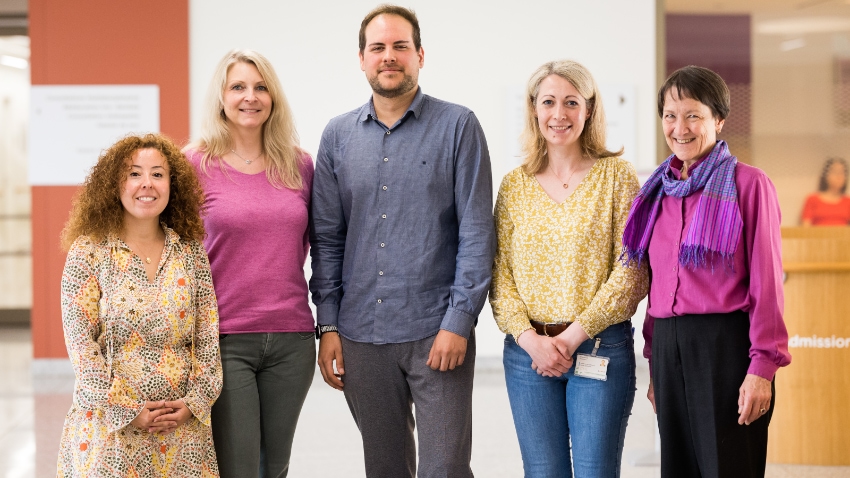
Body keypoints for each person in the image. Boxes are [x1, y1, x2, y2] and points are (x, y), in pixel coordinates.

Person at [309, 5, 495, 477]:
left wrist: (459, 321)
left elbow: (477, 233)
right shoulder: (337, 136)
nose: (388, 57)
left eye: (399, 47)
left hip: (437, 332)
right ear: (361, 59)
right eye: (378, 48)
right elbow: (327, 240)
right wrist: (327, 326)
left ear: (420, 55)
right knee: (385, 468)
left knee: (445, 469)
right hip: (361, 336)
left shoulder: (458, 127)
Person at [621, 65, 792, 478]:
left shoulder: (749, 184)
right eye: (669, 115)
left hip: (725, 348)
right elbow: (655, 284)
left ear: (718, 119)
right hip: (669, 348)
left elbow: (767, 284)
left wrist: (761, 370)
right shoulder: (656, 190)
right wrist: (655, 365)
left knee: (729, 466)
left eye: (693, 115)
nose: (680, 127)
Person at [490, 60, 648, 477]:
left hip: (599, 348)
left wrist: (571, 337)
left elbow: (632, 270)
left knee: (596, 471)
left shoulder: (616, 177)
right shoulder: (514, 185)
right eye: (548, 102)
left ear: (589, 109)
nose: (558, 114)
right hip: (528, 357)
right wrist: (531, 340)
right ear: (534, 109)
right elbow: (499, 276)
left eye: (571, 102)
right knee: (543, 472)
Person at [56, 133, 222, 476]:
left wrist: (194, 403)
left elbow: (208, 337)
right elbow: (80, 346)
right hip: (109, 428)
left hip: (181, 434)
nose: (147, 183)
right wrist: (128, 409)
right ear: (113, 184)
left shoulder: (190, 252)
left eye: (158, 174)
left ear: (171, 185)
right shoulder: (89, 252)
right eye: (134, 173)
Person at [185, 49, 315, 477]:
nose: (250, 97)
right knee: (239, 467)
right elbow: (174, 250)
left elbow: (323, 246)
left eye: (261, 87)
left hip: (292, 340)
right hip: (224, 339)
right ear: (221, 97)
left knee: (274, 467)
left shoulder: (298, 165)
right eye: (238, 86)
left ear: (273, 97)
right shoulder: (194, 164)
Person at [801, 157, 850, 226]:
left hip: (842, 236)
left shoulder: (848, 201)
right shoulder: (812, 199)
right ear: (826, 176)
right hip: (817, 236)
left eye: (842, 173)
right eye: (835, 172)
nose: (839, 176)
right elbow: (805, 227)